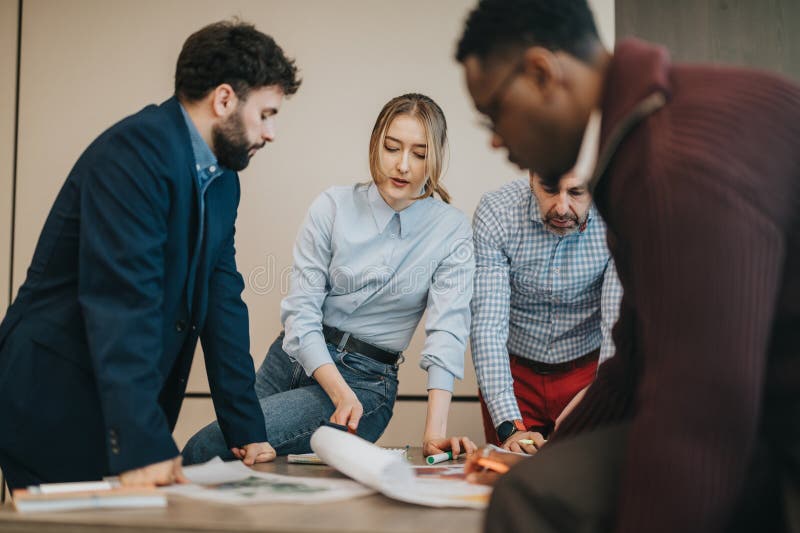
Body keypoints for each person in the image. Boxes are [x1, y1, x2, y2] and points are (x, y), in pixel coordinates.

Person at [456, 0, 800, 532]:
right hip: (748, 404)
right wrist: (542, 457)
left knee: (530, 502)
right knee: (530, 487)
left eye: (493, 113)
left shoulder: (669, 165)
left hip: (770, 425)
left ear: (543, 74)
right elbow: (635, 354)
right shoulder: (638, 140)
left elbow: (704, 416)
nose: (498, 140)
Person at [0, 20, 301, 490]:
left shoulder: (223, 181)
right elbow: (122, 303)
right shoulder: (134, 152)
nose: (271, 132)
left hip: (114, 399)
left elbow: (222, 303)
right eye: (265, 114)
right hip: (52, 395)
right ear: (224, 100)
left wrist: (247, 430)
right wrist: (144, 443)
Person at [183, 93, 477, 464]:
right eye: (392, 148)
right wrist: (337, 392)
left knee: (207, 447)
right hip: (290, 359)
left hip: (364, 383)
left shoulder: (451, 229)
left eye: (419, 154)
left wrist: (434, 431)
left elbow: (447, 332)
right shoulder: (333, 206)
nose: (403, 165)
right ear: (375, 144)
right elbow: (301, 312)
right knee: (225, 459)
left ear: (436, 157)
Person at [471, 169, 620, 454]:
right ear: (531, 177)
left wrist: (598, 399)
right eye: (550, 189)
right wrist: (510, 425)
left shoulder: (618, 215)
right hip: (514, 378)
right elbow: (487, 325)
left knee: (583, 479)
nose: (562, 208)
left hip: (587, 375)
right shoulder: (498, 211)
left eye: (576, 193)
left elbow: (616, 327)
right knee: (510, 479)